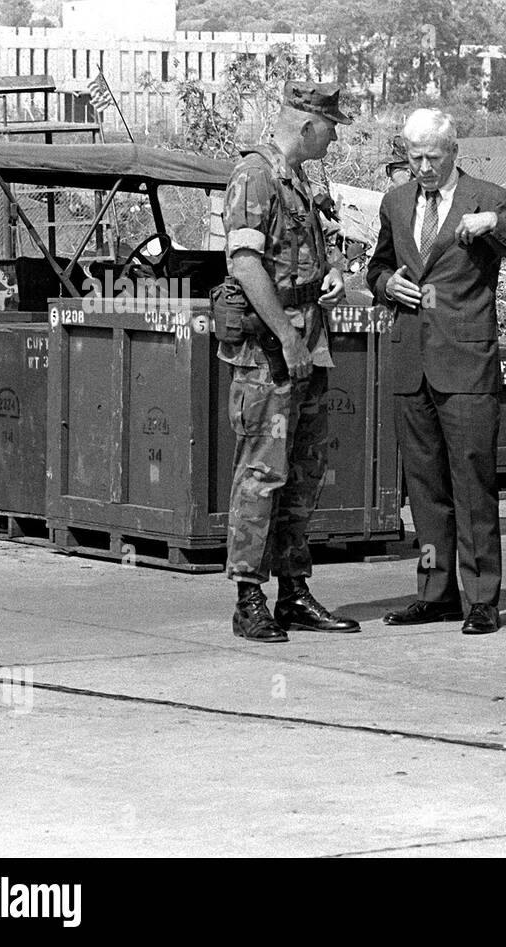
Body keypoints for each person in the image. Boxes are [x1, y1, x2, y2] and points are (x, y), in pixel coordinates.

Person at [367, 108, 506, 635]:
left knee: (473, 484)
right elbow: (378, 265)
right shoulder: (396, 202)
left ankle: (482, 598)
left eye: (432, 156)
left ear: (453, 152)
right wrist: (385, 286)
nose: (422, 166)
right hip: (410, 363)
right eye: (413, 156)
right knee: (424, 487)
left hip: (467, 364)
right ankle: (435, 591)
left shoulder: (488, 199)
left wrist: (497, 225)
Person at [223, 81, 360, 643]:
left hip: (308, 345)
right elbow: (245, 264)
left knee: (302, 473)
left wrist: (330, 276)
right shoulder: (255, 175)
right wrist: (287, 337)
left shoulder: (298, 180)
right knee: (262, 473)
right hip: (272, 356)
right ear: (307, 125)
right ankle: (248, 597)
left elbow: (307, 255)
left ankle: (293, 591)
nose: (334, 138)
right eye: (331, 127)